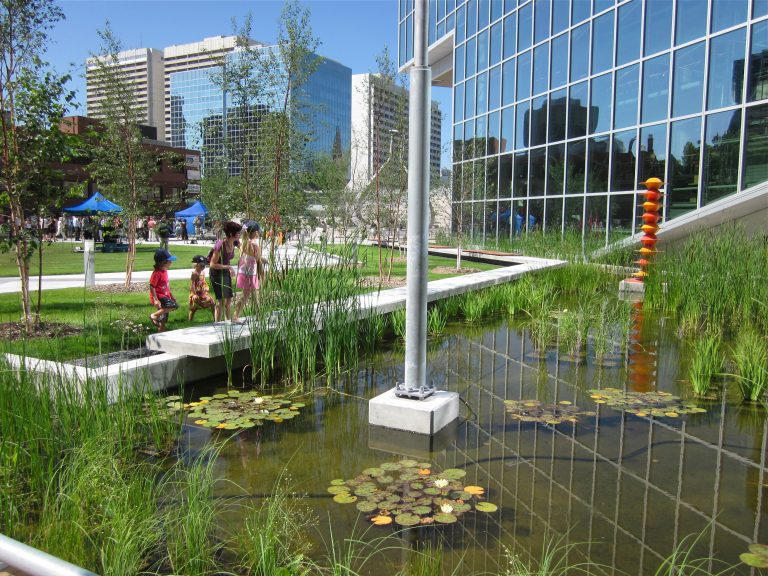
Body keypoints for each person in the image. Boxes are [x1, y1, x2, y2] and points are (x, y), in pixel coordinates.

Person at [208, 220, 242, 322]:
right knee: (221, 301)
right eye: (238, 233)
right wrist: (228, 267)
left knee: (229, 300)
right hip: (216, 273)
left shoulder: (235, 242)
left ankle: (228, 323)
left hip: (225, 271)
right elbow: (212, 264)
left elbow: (244, 249)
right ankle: (218, 324)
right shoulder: (220, 245)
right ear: (232, 234)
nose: (240, 234)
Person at [234, 221, 263, 323]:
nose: (258, 233)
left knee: (247, 295)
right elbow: (258, 258)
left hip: (243, 272)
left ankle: (257, 314)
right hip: (251, 273)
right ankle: (257, 314)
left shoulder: (243, 244)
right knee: (252, 294)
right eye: (257, 231)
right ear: (254, 232)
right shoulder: (254, 244)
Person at [149, 248, 179, 332]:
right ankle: (153, 315)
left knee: (163, 318)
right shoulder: (157, 273)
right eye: (169, 261)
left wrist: (171, 296)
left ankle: (160, 333)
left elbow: (166, 286)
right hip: (159, 297)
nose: (171, 262)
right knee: (173, 305)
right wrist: (155, 299)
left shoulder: (164, 271)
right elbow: (152, 286)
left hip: (165, 296)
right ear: (163, 262)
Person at [188, 255, 215, 321]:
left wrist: (206, 287)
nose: (203, 267)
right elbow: (192, 285)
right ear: (196, 265)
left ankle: (216, 319)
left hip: (203, 293)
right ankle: (190, 320)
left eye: (204, 266)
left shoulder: (202, 272)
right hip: (196, 293)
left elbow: (203, 282)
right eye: (202, 266)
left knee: (212, 302)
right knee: (194, 309)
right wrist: (194, 294)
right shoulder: (195, 273)